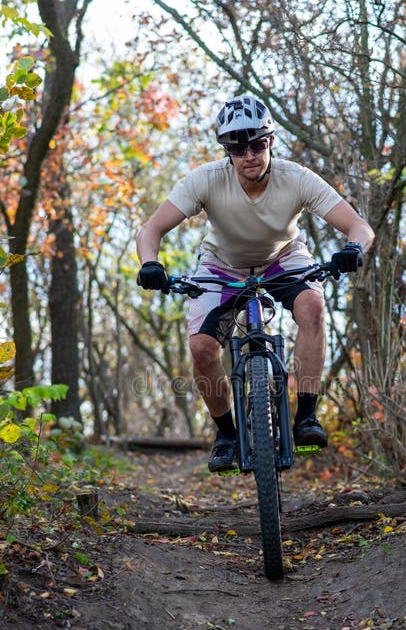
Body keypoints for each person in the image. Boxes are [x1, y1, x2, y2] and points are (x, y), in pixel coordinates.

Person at [136, 94, 374, 472]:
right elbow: (150, 229)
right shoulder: (206, 180)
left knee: (313, 306)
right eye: (237, 147)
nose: (249, 155)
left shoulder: (295, 178)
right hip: (222, 265)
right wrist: (150, 263)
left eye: (257, 144)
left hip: (283, 258)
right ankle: (226, 434)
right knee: (201, 347)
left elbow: (359, 226)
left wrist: (353, 247)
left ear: (271, 141)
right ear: (226, 151)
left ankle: (307, 417)